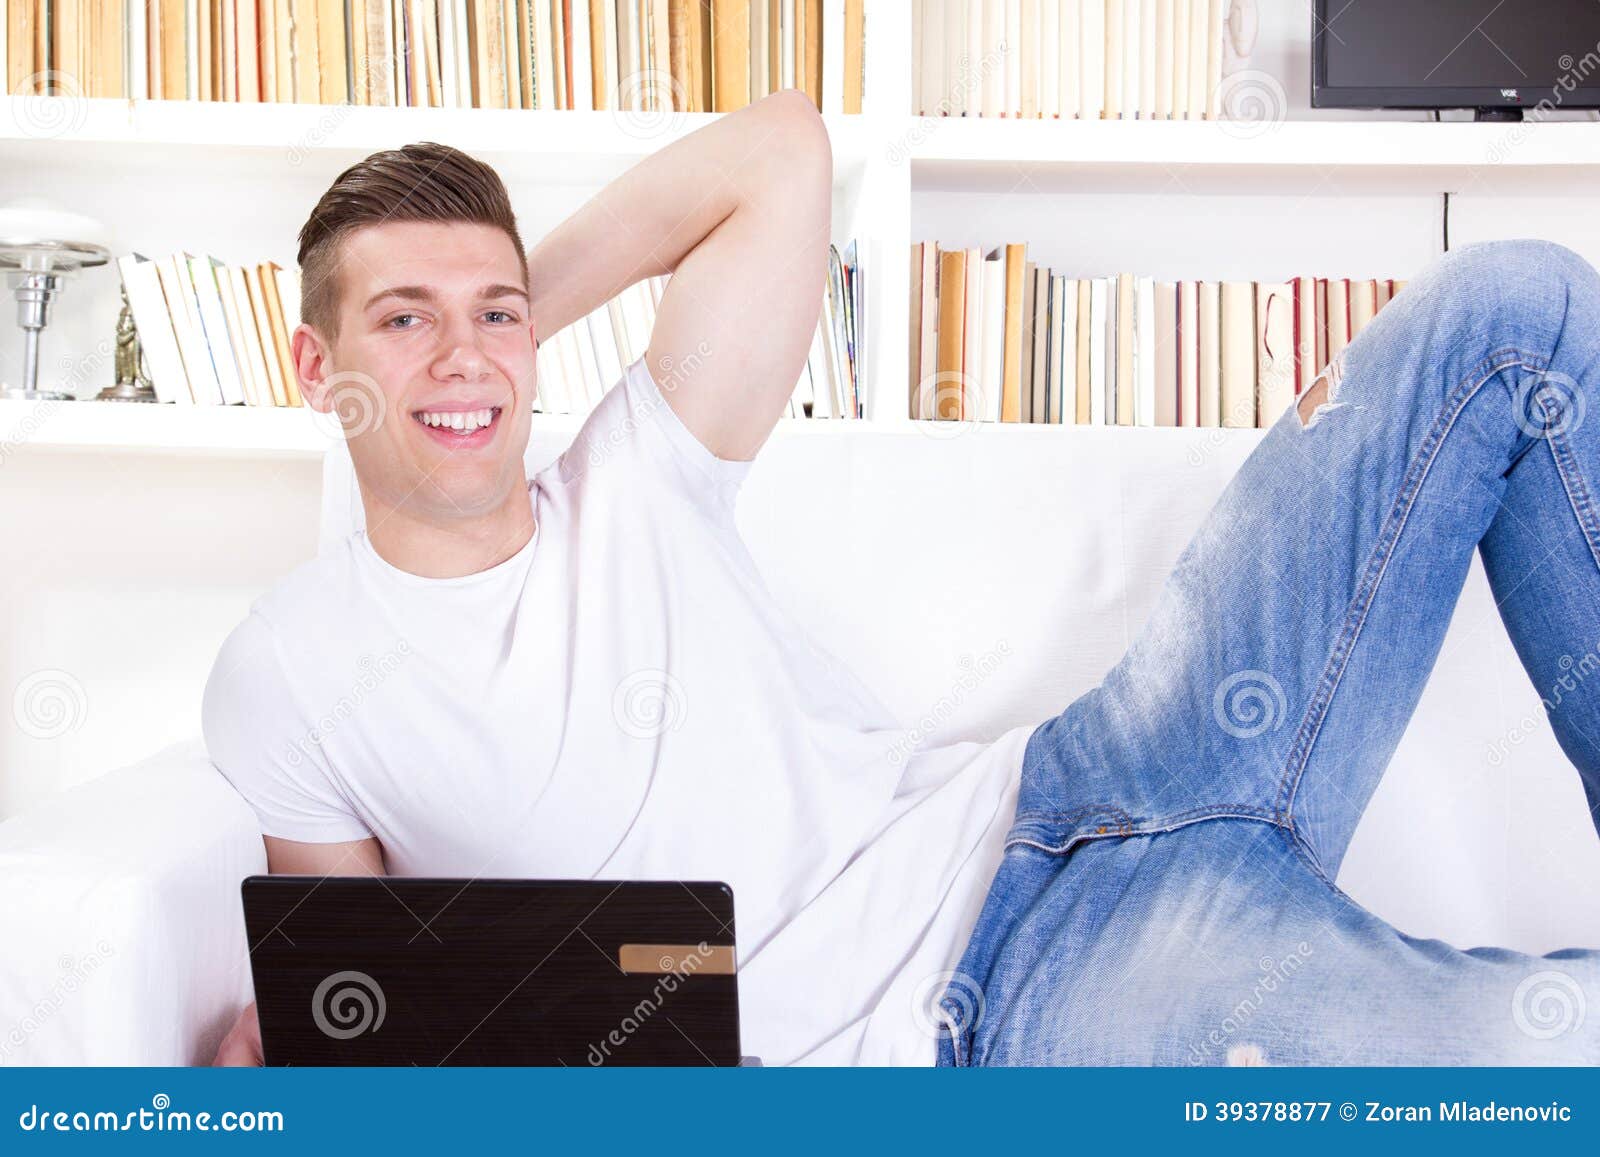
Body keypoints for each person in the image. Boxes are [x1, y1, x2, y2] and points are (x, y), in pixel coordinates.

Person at [206, 90, 1597, 1067]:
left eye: (490, 317)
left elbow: (781, 151)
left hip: (1081, 781)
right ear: (311, 366)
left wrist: (498, 321)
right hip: (1011, 1001)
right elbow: (369, 1016)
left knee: (1513, 313)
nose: (462, 354)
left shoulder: (639, 469)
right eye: (401, 321)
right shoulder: (296, 671)